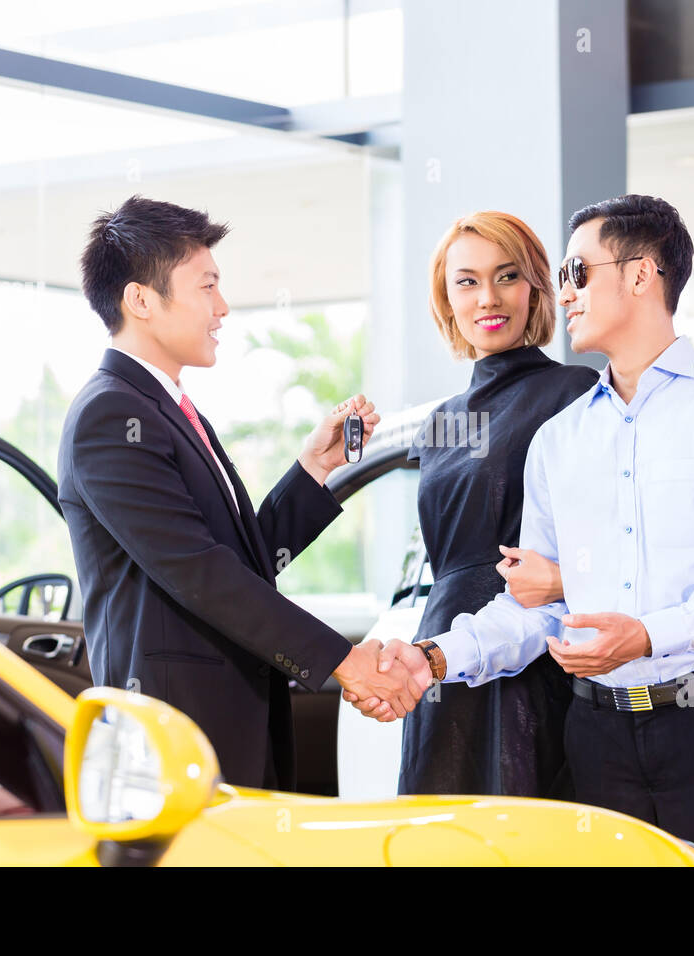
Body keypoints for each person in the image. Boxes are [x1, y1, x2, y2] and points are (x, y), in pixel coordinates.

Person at [359, 194, 694, 866]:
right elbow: (539, 610)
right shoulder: (560, 440)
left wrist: (648, 633)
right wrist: (432, 659)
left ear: (640, 275)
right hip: (594, 735)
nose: (562, 291)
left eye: (578, 271)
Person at [57, 195, 428, 791]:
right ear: (141, 300)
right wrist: (348, 661)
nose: (222, 308)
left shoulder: (165, 407)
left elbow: (239, 559)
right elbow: (203, 575)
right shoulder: (111, 416)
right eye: (207, 286)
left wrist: (314, 469)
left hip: (223, 721)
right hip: (174, 736)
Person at [371, 211, 599, 797]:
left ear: (535, 288)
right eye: (466, 281)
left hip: (529, 652)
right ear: (446, 299)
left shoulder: (575, 393)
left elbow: (604, 538)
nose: (488, 298)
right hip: (441, 649)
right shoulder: (440, 420)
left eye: (507, 276)